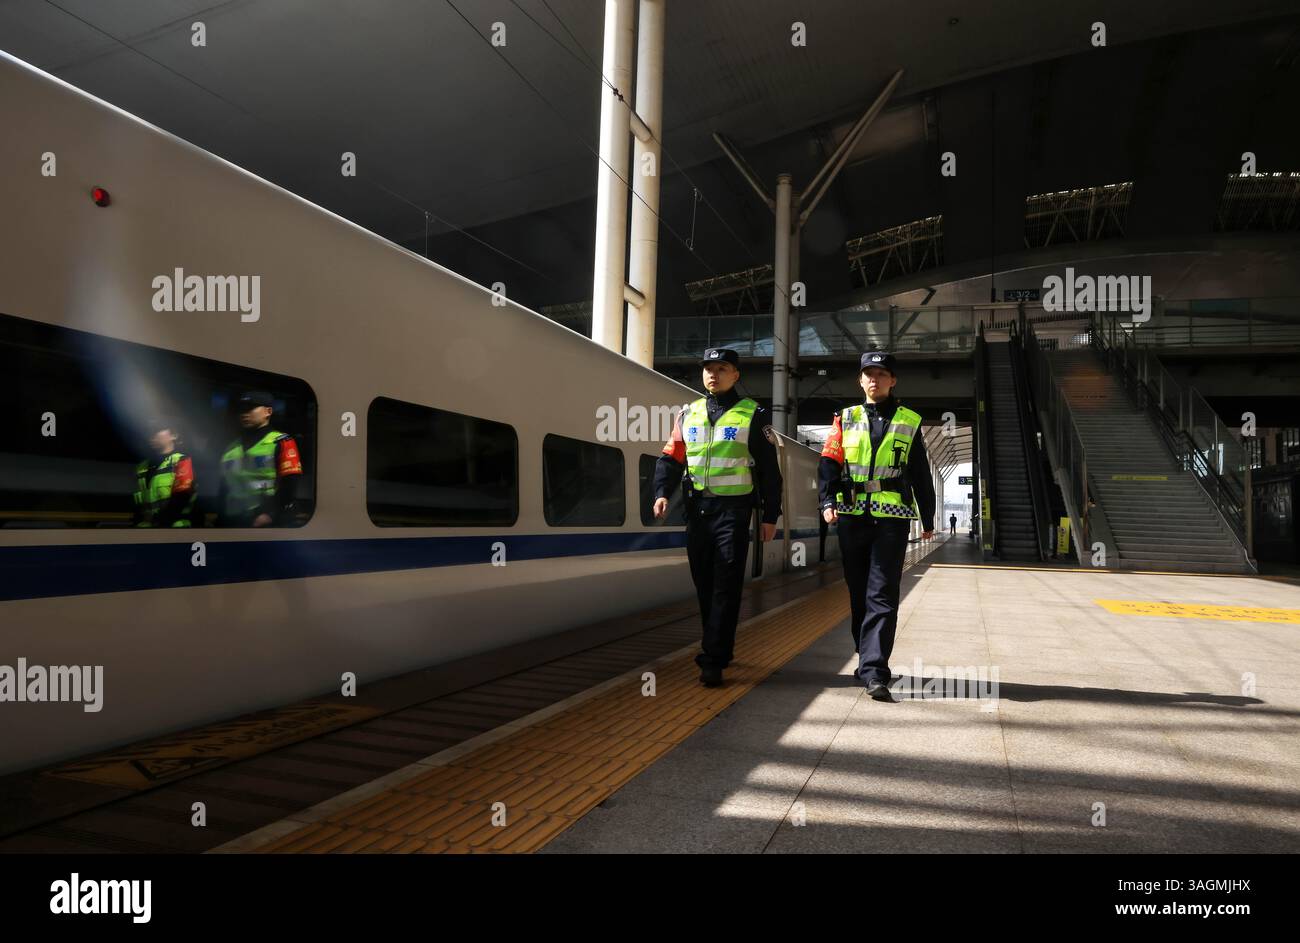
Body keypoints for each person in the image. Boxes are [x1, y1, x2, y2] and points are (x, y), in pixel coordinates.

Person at [653, 348, 782, 687]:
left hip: (733, 512)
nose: (713, 374)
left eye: (722, 368)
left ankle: (712, 658)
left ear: (736, 375)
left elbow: (770, 471)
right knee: (705, 585)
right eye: (708, 368)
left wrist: (770, 515)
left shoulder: (753, 415)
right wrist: (661, 492)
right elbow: (670, 458)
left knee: (725, 585)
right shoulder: (688, 413)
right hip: (696, 513)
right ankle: (720, 648)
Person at [820, 351, 935, 701]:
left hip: (892, 518)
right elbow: (829, 462)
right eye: (868, 374)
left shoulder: (909, 421)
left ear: (892, 380)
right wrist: (827, 501)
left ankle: (875, 670)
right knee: (858, 593)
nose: (874, 379)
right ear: (860, 380)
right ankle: (866, 657)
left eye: (882, 374)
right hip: (852, 516)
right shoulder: (844, 418)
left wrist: (927, 517)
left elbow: (919, 473)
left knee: (882, 593)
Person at [218, 392, 303, 527]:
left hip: (266, 521)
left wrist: (269, 514)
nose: (244, 413)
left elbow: (290, 483)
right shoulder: (230, 448)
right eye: (241, 409)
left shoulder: (281, 441)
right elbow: (224, 487)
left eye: (251, 407)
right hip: (232, 520)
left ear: (268, 411)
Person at [132, 420, 196, 527]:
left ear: (174, 435)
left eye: (157, 429)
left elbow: (182, 496)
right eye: (149, 431)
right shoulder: (141, 468)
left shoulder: (181, 461)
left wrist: (162, 521)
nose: (151, 434)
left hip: (176, 530)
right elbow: (138, 505)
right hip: (148, 532)